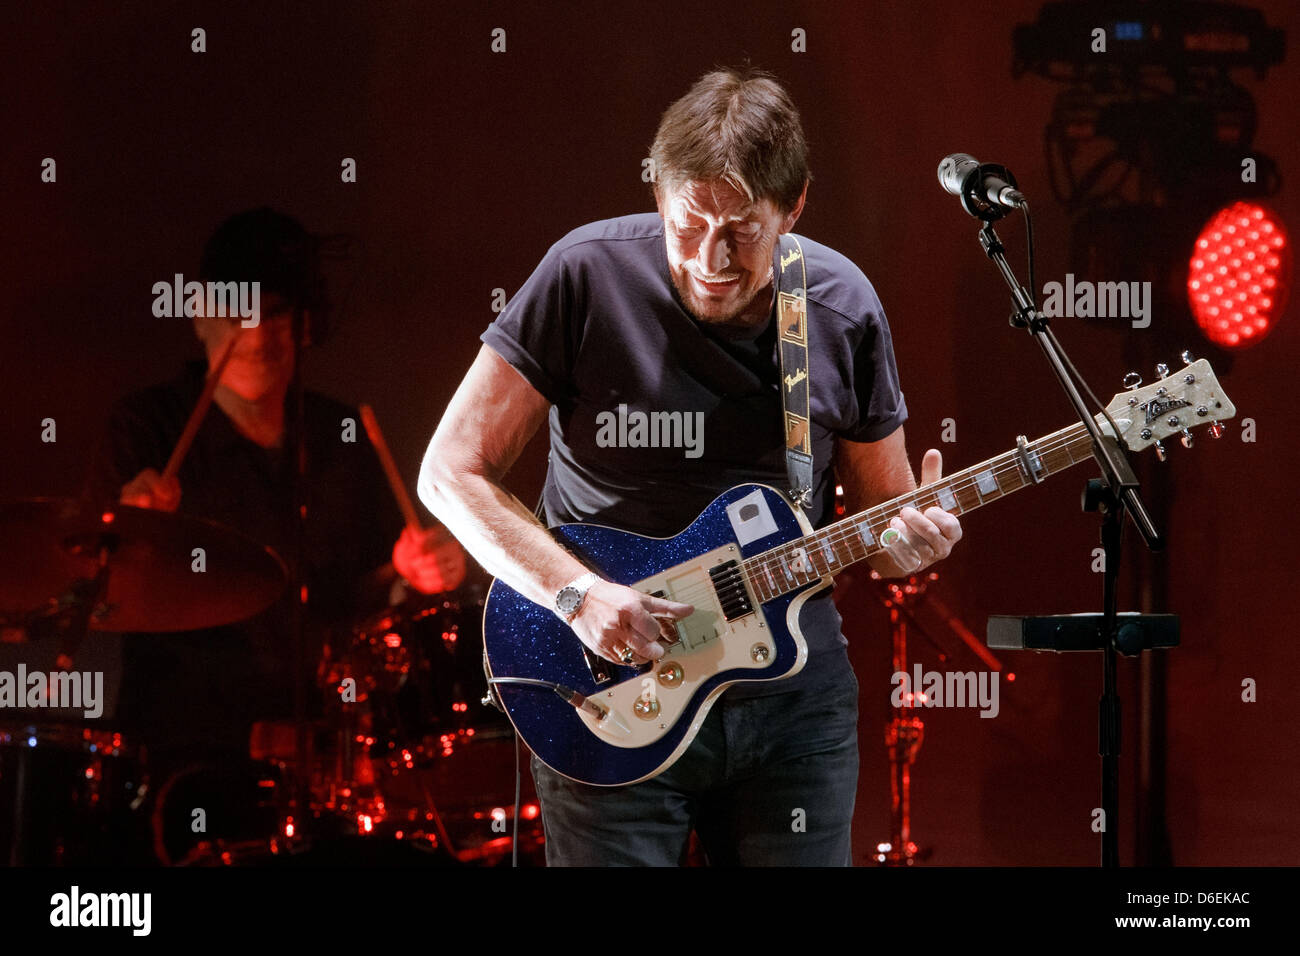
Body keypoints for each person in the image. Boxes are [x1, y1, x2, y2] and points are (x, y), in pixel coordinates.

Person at [418, 68, 962, 866]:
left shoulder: (839, 307)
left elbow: (884, 537)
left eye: (741, 229)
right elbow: (448, 472)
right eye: (686, 224)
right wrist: (575, 596)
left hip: (789, 712)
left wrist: (914, 544)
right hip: (604, 682)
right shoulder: (584, 276)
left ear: (796, 204)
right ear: (658, 194)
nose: (710, 257)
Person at [86, 208, 467, 858]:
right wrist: (126, 533)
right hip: (186, 757)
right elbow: (95, 587)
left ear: (304, 327)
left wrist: (414, 577)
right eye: (238, 315)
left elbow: (369, 611)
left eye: (279, 317)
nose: (260, 336)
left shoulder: (345, 435)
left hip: (327, 762)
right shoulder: (147, 426)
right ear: (200, 317)